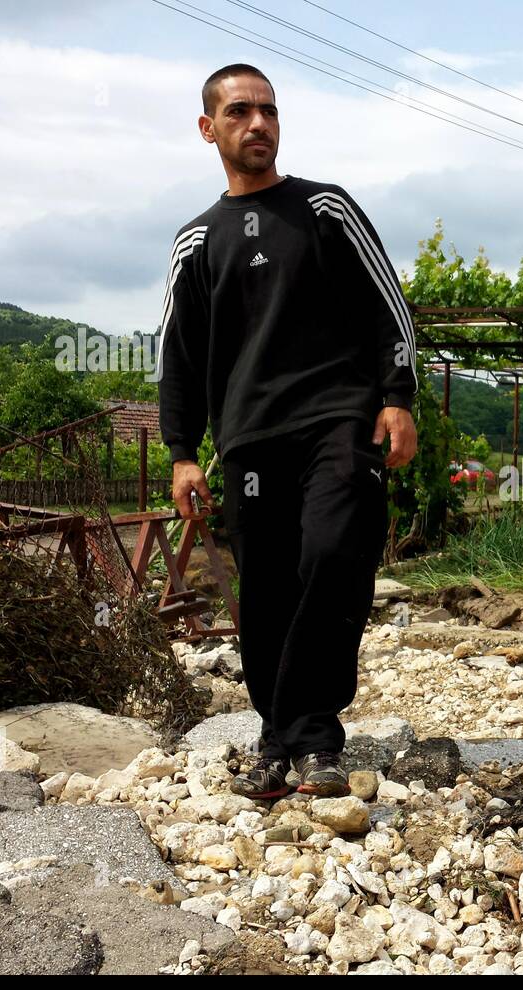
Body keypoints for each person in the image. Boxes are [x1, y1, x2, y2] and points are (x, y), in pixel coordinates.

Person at [157, 63, 418, 800]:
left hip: (339, 420)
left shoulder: (325, 210)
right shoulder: (197, 242)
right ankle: (286, 739)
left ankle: (306, 732)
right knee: (267, 591)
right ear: (209, 128)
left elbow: (388, 305)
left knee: (334, 554)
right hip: (247, 442)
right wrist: (182, 453)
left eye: (268, 110)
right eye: (239, 111)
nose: (258, 123)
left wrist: (397, 395)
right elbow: (176, 354)